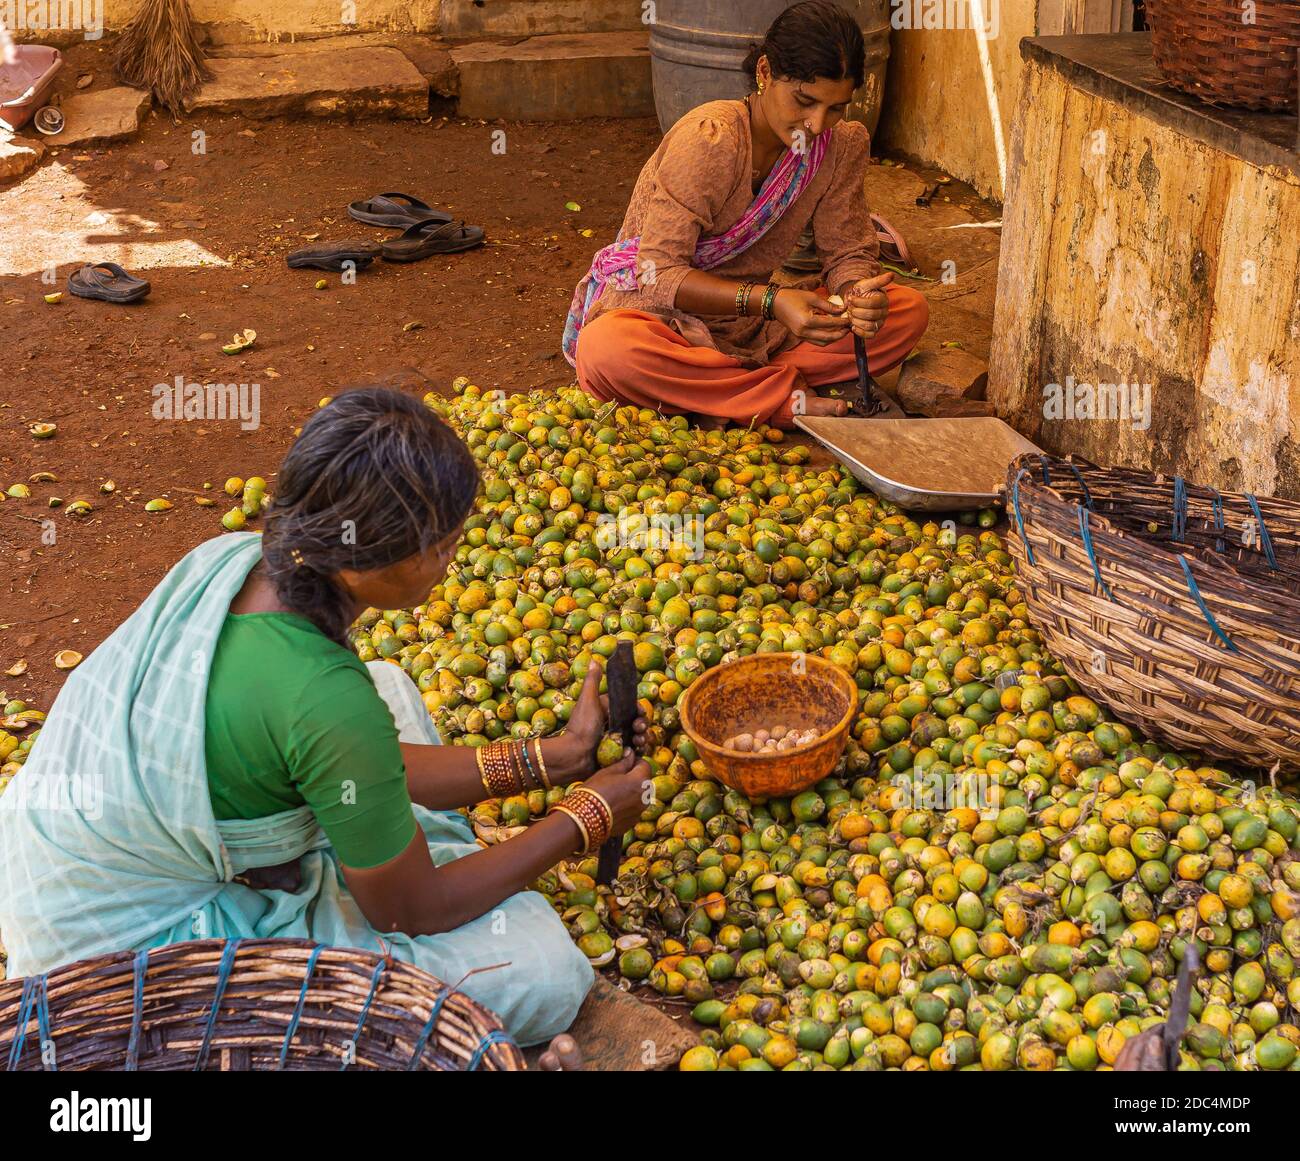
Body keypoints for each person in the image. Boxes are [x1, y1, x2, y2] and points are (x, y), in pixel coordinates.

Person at [0, 388, 649, 1049]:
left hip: (58, 856)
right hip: (118, 959)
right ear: (379, 558)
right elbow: (411, 910)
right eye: (445, 544)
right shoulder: (326, 700)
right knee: (544, 967)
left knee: (387, 687)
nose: (455, 556)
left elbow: (350, 752)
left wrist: (555, 758)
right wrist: (582, 819)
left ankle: (381, 843)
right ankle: (387, 855)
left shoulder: (238, 559)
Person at [563, 0, 929, 430]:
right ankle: (777, 398)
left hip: (752, 326)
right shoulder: (709, 139)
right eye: (805, 101)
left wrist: (858, 295)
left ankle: (716, 392)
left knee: (907, 311)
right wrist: (772, 301)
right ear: (765, 73)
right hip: (662, 318)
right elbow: (657, 276)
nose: (815, 124)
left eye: (835, 107)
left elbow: (847, 251)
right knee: (608, 351)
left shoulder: (841, 146)